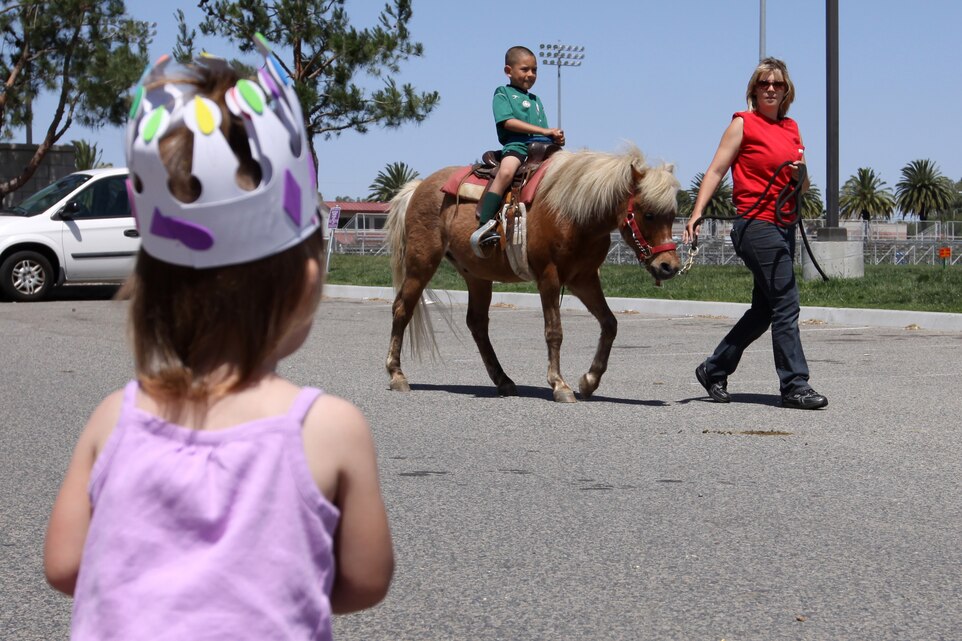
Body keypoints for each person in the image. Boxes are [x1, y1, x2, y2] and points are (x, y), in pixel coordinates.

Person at [43, 37, 394, 640]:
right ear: (307, 280)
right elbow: (365, 578)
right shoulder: (330, 429)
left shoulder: (114, 420)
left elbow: (65, 564)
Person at [683, 57, 828, 410]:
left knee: (765, 310)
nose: (770, 88)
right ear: (753, 89)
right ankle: (795, 385)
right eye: (764, 83)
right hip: (755, 223)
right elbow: (717, 170)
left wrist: (799, 177)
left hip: (784, 224)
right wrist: (697, 210)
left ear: (786, 91)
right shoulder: (742, 124)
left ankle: (713, 368)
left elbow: (804, 186)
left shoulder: (792, 128)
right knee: (786, 303)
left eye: (777, 84)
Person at [471, 45, 565, 249]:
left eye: (535, 70)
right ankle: (484, 225)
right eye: (525, 69)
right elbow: (508, 122)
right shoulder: (502, 93)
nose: (531, 74)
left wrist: (554, 139)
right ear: (508, 71)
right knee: (505, 172)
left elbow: (542, 130)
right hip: (517, 146)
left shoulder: (536, 100)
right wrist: (545, 131)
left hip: (542, 149)